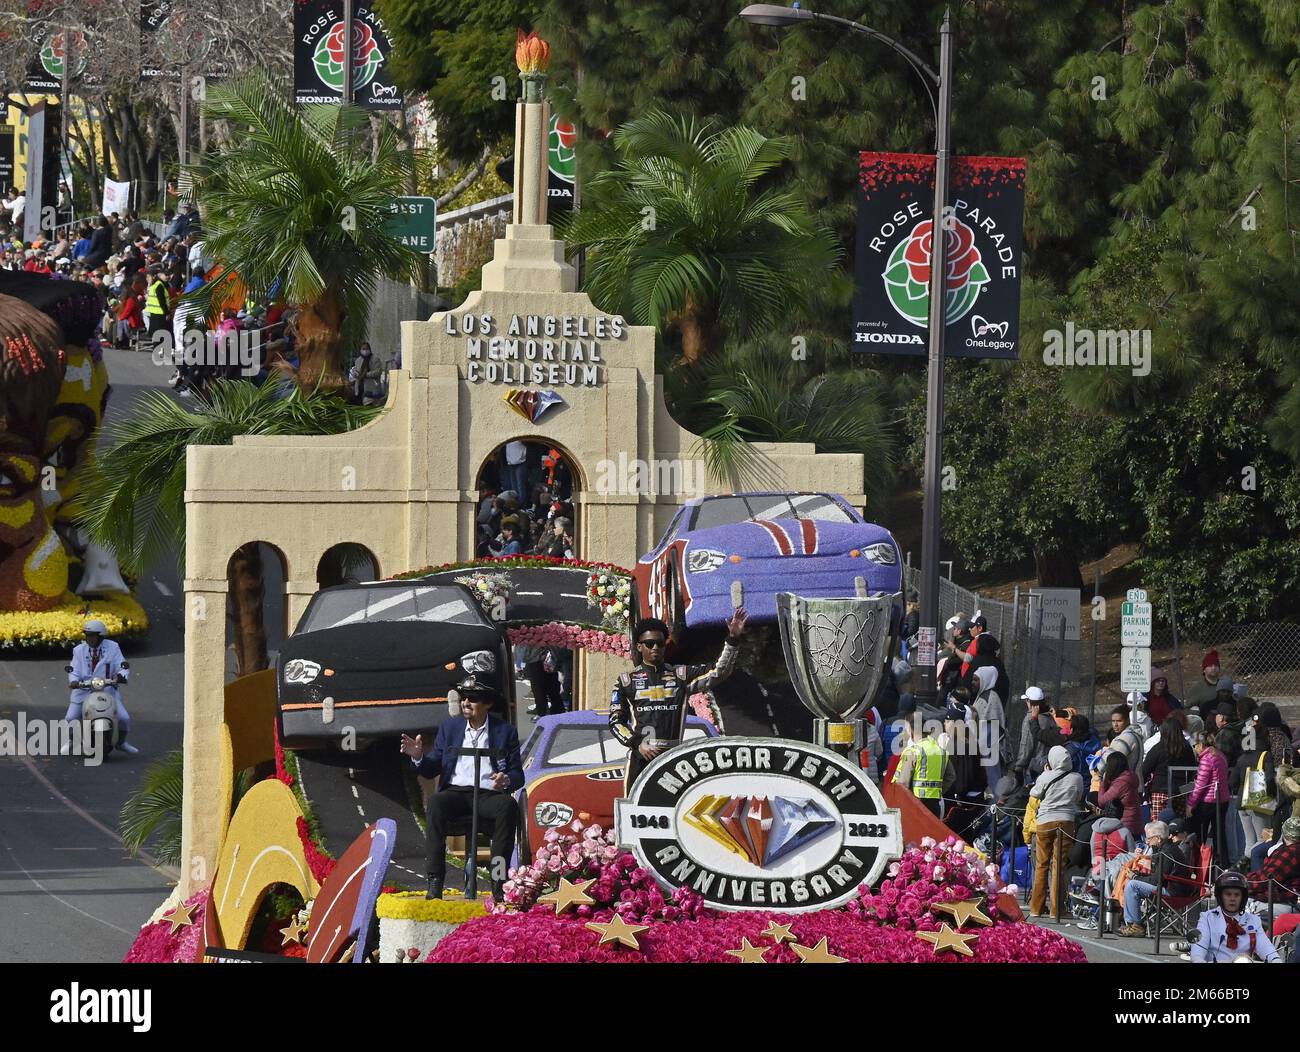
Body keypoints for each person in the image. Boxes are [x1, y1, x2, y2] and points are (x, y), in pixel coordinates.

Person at [399, 676, 523, 901]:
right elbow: (431, 767)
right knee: (437, 802)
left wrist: (505, 780)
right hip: (456, 793)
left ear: (488, 704)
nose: (466, 702)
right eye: (464, 697)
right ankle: (435, 879)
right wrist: (418, 757)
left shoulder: (505, 731)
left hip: (489, 794)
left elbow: (517, 774)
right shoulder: (450, 727)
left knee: (508, 805)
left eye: (473, 699)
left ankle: (499, 881)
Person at [611, 610, 747, 792]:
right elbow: (615, 722)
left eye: (660, 643)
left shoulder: (680, 675)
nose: (655, 648)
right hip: (641, 758)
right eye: (649, 644)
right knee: (634, 813)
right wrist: (637, 744)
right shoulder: (626, 681)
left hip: (673, 758)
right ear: (639, 647)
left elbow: (718, 672)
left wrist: (732, 640)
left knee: (673, 812)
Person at [1028, 745, 1085, 919]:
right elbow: (1078, 797)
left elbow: (1034, 793)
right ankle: (1057, 909)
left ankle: (1036, 908)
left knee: (1041, 865)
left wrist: (1046, 774)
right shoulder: (1077, 778)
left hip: (1045, 822)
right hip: (1066, 822)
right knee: (1059, 866)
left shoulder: (1045, 776)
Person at [65, 620, 137, 755]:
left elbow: (122, 665)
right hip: (83, 690)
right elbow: (73, 670)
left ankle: (121, 742)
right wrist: (74, 681)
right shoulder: (78, 650)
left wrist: (121, 676)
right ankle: (72, 740)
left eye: (93, 635)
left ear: (101, 636)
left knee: (123, 718)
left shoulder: (113, 647)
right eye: (87, 635)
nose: (90, 638)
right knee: (71, 717)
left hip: (107, 689)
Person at [1116, 820, 1190, 936]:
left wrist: (1136, 877)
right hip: (1168, 886)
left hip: (1173, 892)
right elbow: (1157, 876)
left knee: (1132, 885)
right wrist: (1138, 875)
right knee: (1131, 881)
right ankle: (1130, 923)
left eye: (1149, 838)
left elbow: (1157, 880)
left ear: (1158, 838)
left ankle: (1136, 925)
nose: (1147, 841)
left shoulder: (1167, 852)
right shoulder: (1163, 849)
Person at [1190, 871, 1282, 962]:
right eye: (1228, 894)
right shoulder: (1207, 918)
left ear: (1243, 898)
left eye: (1237, 895)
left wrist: (1275, 959)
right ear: (1220, 896)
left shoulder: (1254, 920)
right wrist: (1198, 959)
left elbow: (1265, 946)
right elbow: (1199, 946)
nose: (1232, 899)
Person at [1188, 730, 1231, 865]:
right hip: (1223, 799)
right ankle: (1222, 864)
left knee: (1199, 833)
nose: (1194, 749)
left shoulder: (1207, 758)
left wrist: (1190, 804)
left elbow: (1201, 784)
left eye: (1195, 746)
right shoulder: (1220, 755)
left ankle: (1198, 863)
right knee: (1220, 834)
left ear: (1200, 744)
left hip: (1208, 801)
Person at [1144, 715, 1197, 819]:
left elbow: (1145, 769)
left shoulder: (1158, 748)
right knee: (1179, 823)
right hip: (1181, 790)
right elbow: (1193, 769)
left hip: (1160, 790)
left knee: (1159, 825)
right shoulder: (1186, 748)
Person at [1245, 816, 1300, 908]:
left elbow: (1265, 879)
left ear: (1284, 834)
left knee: (1237, 903)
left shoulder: (1289, 853)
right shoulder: (1290, 851)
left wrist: (1240, 884)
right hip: (1287, 899)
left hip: (1286, 903)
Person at [1095, 750, 1143, 845]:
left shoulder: (1121, 783)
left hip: (1126, 826)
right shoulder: (1129, 776)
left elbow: (1102, 801)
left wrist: (1103, 782)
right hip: (1134, 822)